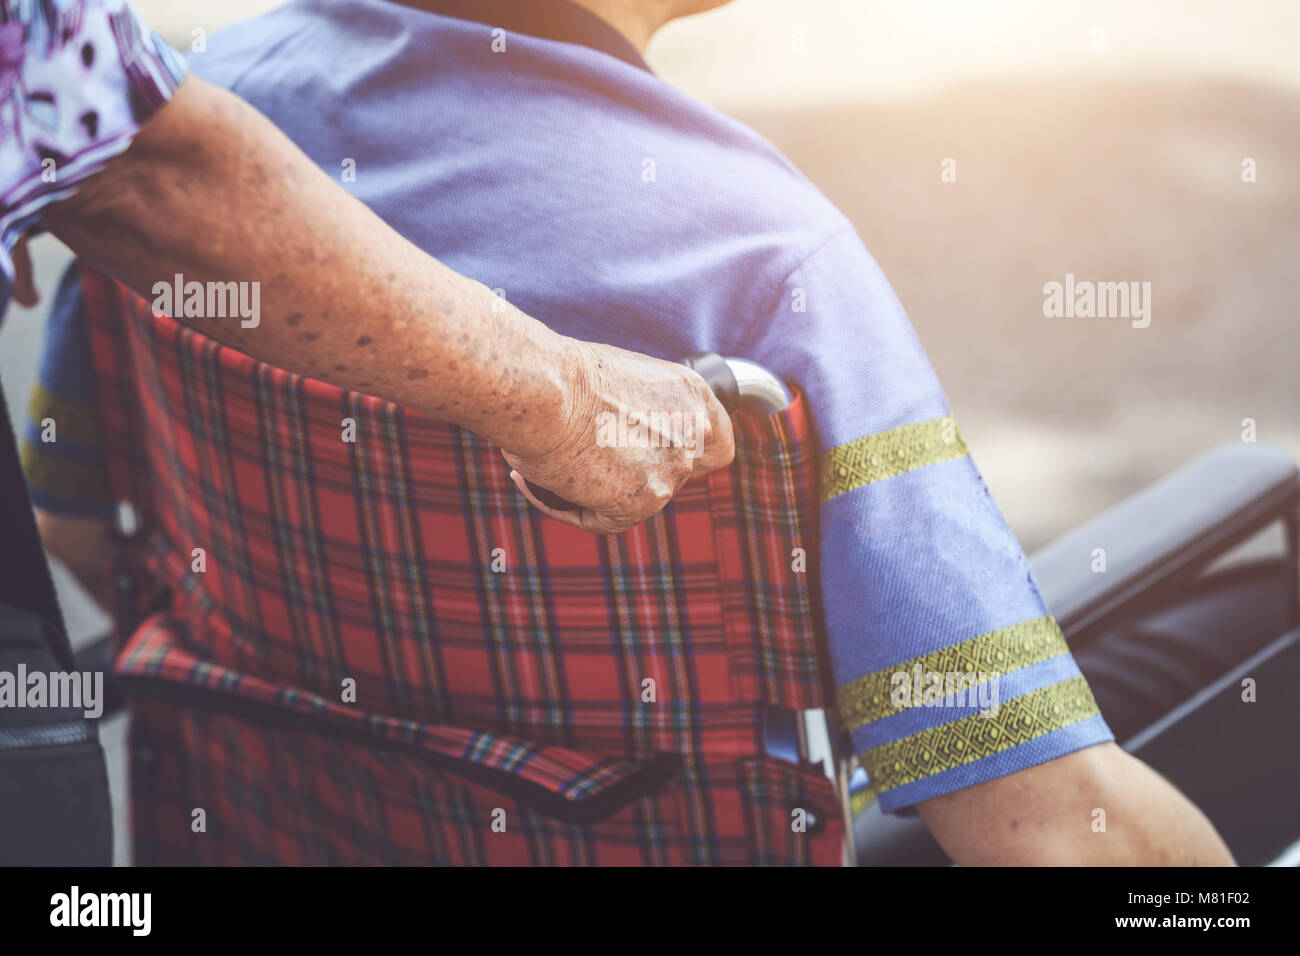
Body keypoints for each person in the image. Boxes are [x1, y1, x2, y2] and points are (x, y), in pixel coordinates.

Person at [28, 0, 1235, 865]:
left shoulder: (171, 140)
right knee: (1254, 583)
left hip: (295, 822)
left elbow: (79, 528)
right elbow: (1038, 825)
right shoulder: (757, 260)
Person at [0, 0, 735, 536]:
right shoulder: (764, 247)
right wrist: (562, 400)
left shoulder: (205, 84)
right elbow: (851, 694)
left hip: (232, 728)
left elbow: (72, 525)